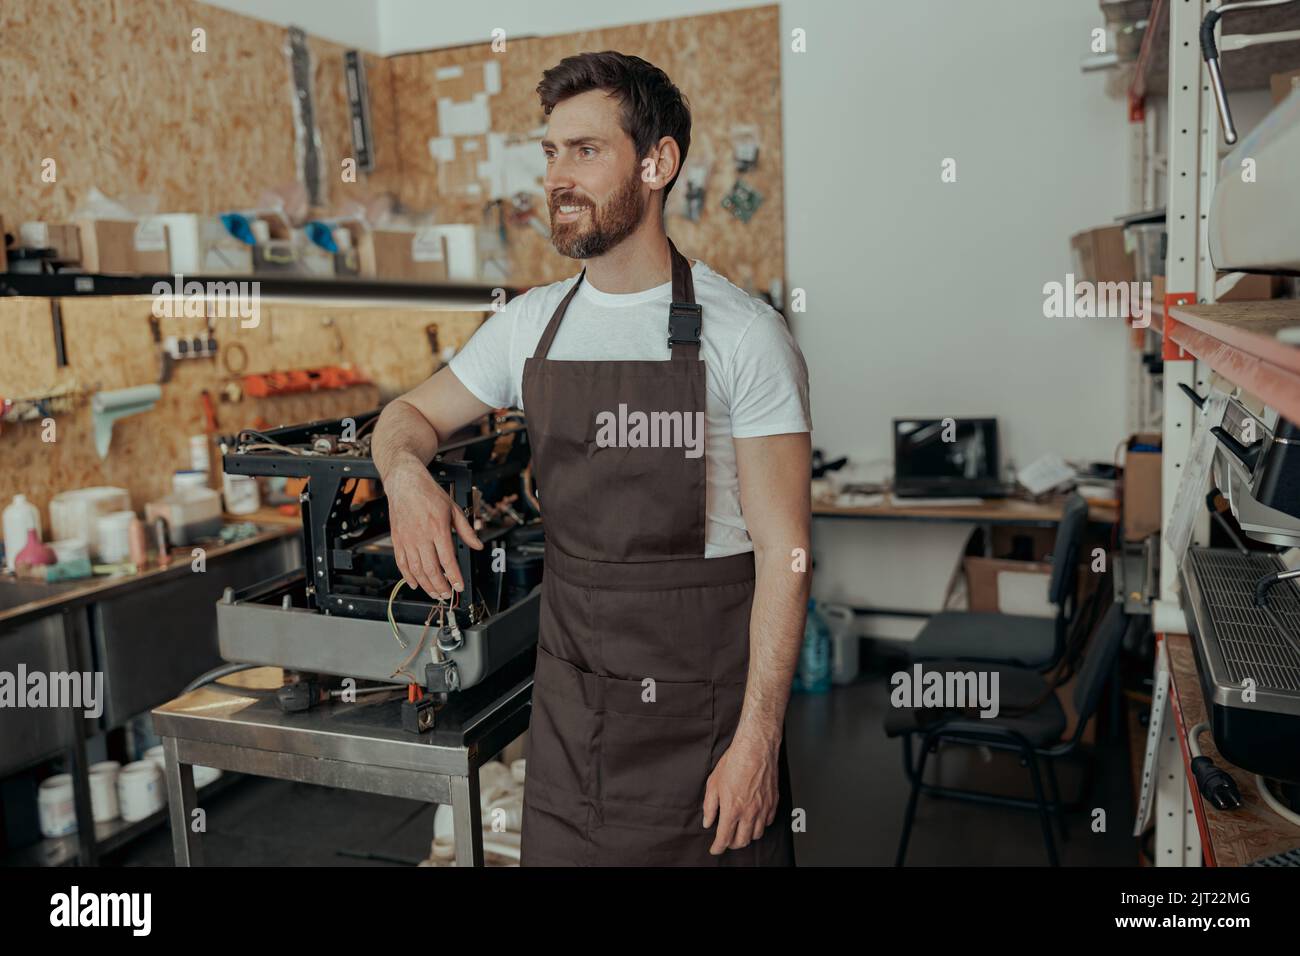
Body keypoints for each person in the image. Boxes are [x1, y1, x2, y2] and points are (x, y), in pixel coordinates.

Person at [372, 50, 812, 866]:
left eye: (585, 150)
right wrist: (405, 478)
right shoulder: (530, 326)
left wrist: (758, 743)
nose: (557, 177)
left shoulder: (745, 336)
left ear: (658, 163)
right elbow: (403, 417)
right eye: (549, 152)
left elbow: (788, 561)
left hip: (707, 729)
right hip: (574, 730)